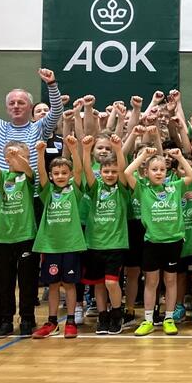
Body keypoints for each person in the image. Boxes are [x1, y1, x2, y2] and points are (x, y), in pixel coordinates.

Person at [124, 143, 192, 337]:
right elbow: (127, 173)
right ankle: (147, 320)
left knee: (170, 280)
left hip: (173, 241)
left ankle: (169, 319)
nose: (158, 173)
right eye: (154, 169)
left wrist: (180, 157)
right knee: (151, 281)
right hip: (152, 242)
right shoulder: (143, 188)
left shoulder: (174, 187)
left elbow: (191, 176)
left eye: (162, 169)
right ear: (146, 172)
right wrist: (143, 157)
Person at [31, 137, 86, 339]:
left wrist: (73, 148)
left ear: (69, 175)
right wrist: (40, 153)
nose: (60, 176)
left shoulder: (74, 191)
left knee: (69, 284)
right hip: (51, 246)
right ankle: (52, 322)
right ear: (51, 176)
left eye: (64, 173)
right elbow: (40, 173)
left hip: (71, 245)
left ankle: (70, 321)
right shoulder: (47, 192)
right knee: (53, 285)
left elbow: (79, 170)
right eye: (56, 173)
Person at [0, 142, 38, 337]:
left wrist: (18, 157)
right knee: (5, 281)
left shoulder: (28, 177)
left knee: (27, 281)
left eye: (25, 156)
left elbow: (27, 169)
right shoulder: (3, 178)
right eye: (13, 156)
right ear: (6, 160)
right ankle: (6, 319)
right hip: (2, 237)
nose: (20, 159)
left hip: (25, 236)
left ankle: (27, 318)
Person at [0, 67, 63, 173]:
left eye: (21, 103)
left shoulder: (40, 128)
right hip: (3, 183)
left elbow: (57, 110)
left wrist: (51, 84)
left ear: (30, 107)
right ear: (7, 108)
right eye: (11, 103)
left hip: (31, 183)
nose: (16, 106)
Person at [81, 134, 130, 335]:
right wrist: (86, 150)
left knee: (111, 282)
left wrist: (118, 149)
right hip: (94, 243)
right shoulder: (95, 188)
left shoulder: (122, 189)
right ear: (100, 172)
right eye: (106, 171)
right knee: (99, 284)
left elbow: (124, 171)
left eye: (113, 171)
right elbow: (86, 170)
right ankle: (103, 316)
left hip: (115, 243)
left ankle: (117, 314)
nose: (110, 174)